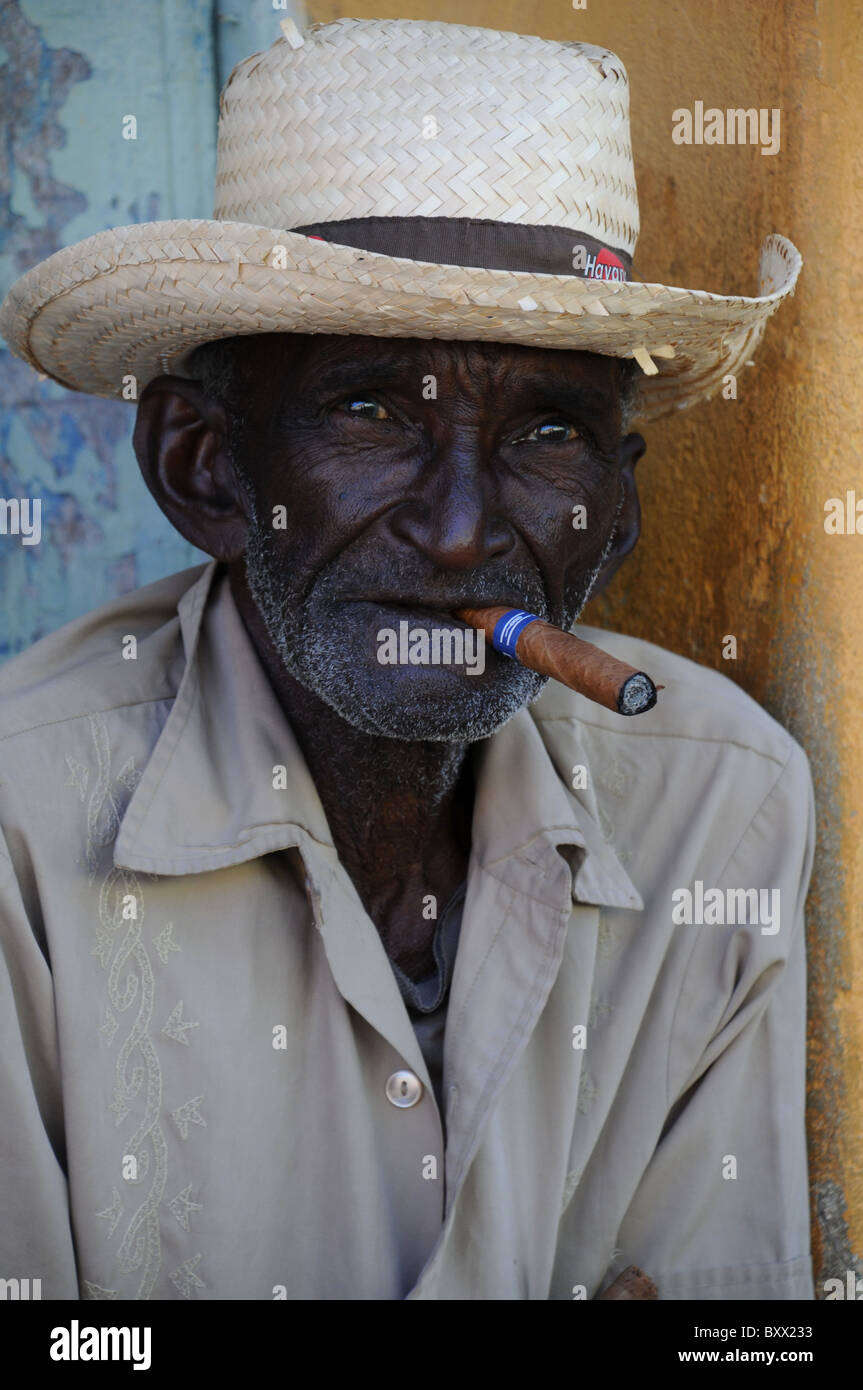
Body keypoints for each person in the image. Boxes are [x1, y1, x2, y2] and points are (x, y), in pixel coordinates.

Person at [0, 16, 813, 1300]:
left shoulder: (714, 808)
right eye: (373, 411)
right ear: (204, 470)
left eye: (546, 431)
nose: (456, 534)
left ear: (616, 509)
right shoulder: (20, 831)